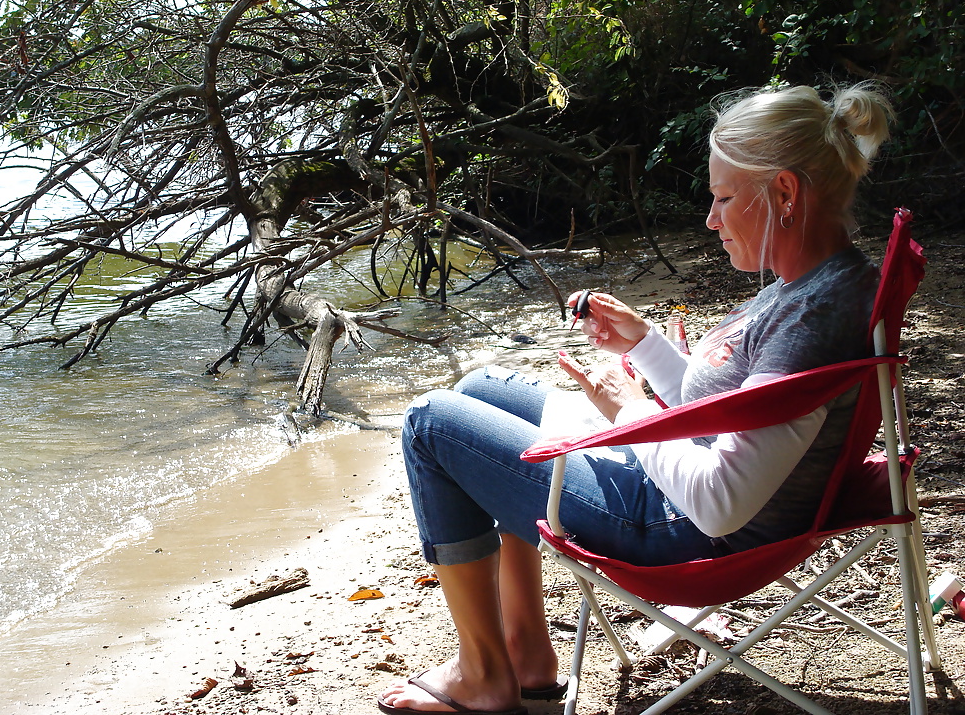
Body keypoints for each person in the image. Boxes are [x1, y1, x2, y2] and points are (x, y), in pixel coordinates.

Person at [378, 82, 894, 715]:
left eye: (724, 197)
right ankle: (527, 653)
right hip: (687, 493)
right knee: (482, 389)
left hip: (681, 528)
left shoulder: (812, 317)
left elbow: (720, 503)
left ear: (784, 193)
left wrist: (631, 414)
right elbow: (737, 413)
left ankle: (486, 677)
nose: (710, 219)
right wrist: (645, 345)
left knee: (431, 424)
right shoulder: (820, 281)